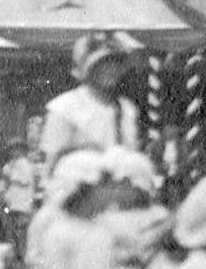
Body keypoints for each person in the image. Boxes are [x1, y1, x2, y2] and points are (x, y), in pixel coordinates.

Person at [41, 36, 140, 175]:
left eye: (116, 63)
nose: (111, 69)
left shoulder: (126, 109)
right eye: (102, 63)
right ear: (88, 68)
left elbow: (130, 153)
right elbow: (52, 164)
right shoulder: (64, 107)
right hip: (76, 188)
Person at [0, 140, 40, 256]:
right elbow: (3, 181)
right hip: (10, 202)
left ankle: (23, 253)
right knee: (10, 227)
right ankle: (15, 253)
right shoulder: (9, 165)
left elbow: (25, 180)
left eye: (16, 149)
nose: (14, 152)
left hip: (22, 202)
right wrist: (1, 192)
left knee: (22, 228)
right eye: (12, 149)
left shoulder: (25, 164)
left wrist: (11, 177)